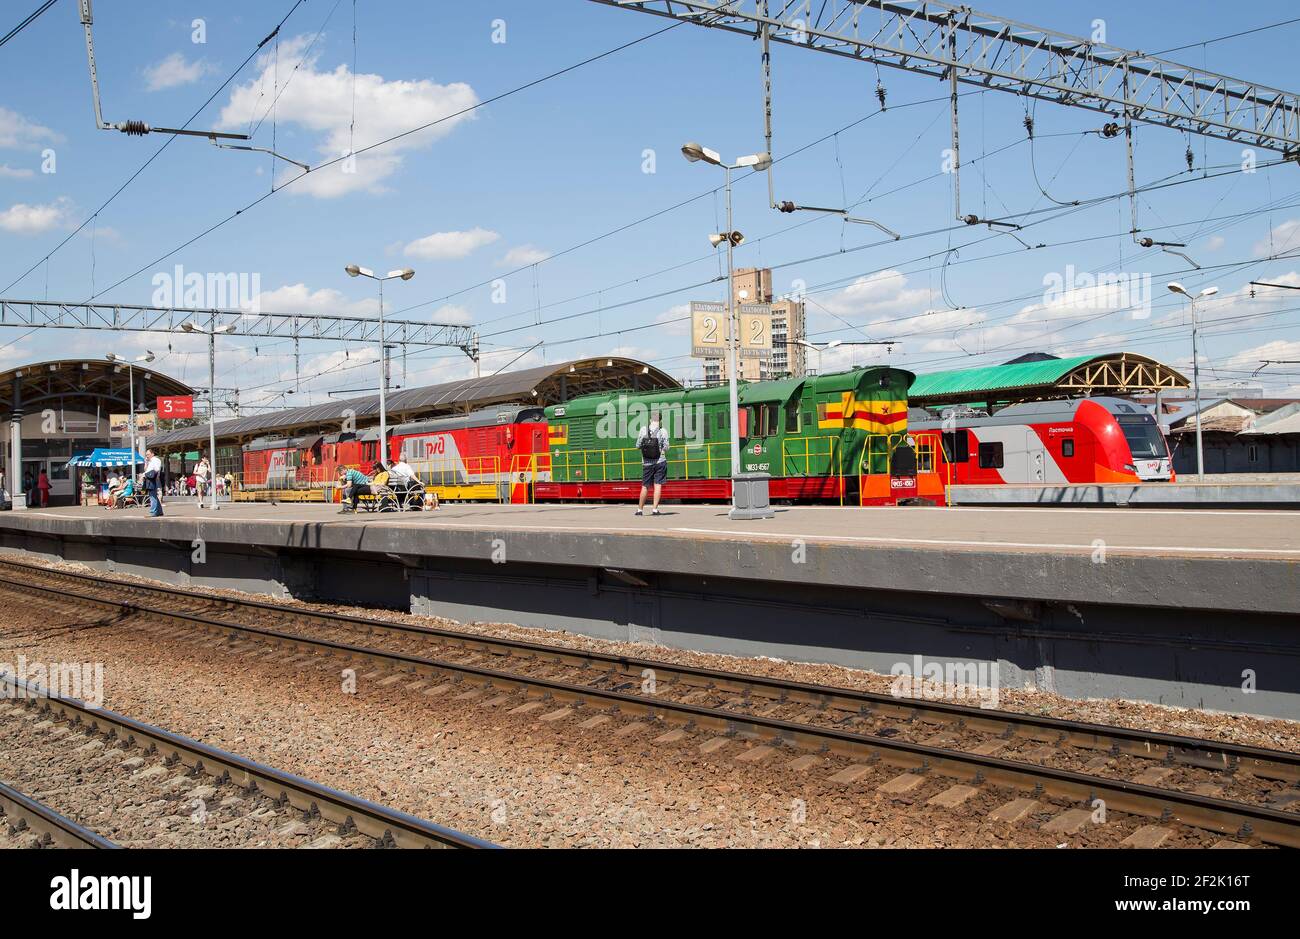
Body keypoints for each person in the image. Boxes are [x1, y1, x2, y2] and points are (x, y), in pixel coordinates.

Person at [635, 414, 669, 517]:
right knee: (657, 485)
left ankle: (639, 510)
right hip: (660, 461)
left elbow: (637, 446)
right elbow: (666, 447)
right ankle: (654, 510)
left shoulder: (643, 429)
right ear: (660, 420)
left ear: (650, 419)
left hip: (646, 462)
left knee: (645, 486)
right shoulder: (663, 431)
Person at [143, 449, 164, 517]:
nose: (147, 456)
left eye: (148, 454)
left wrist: (147, 474)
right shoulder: (150, 461)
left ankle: (153, 511)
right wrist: (146, 463)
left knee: (152, 496)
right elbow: (146, 470)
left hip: (153, 479)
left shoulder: (156, 460)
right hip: (150, 479)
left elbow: (156, 469)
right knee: (153, 495)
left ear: (152, 454)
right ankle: (159, 511)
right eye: (146, 455)